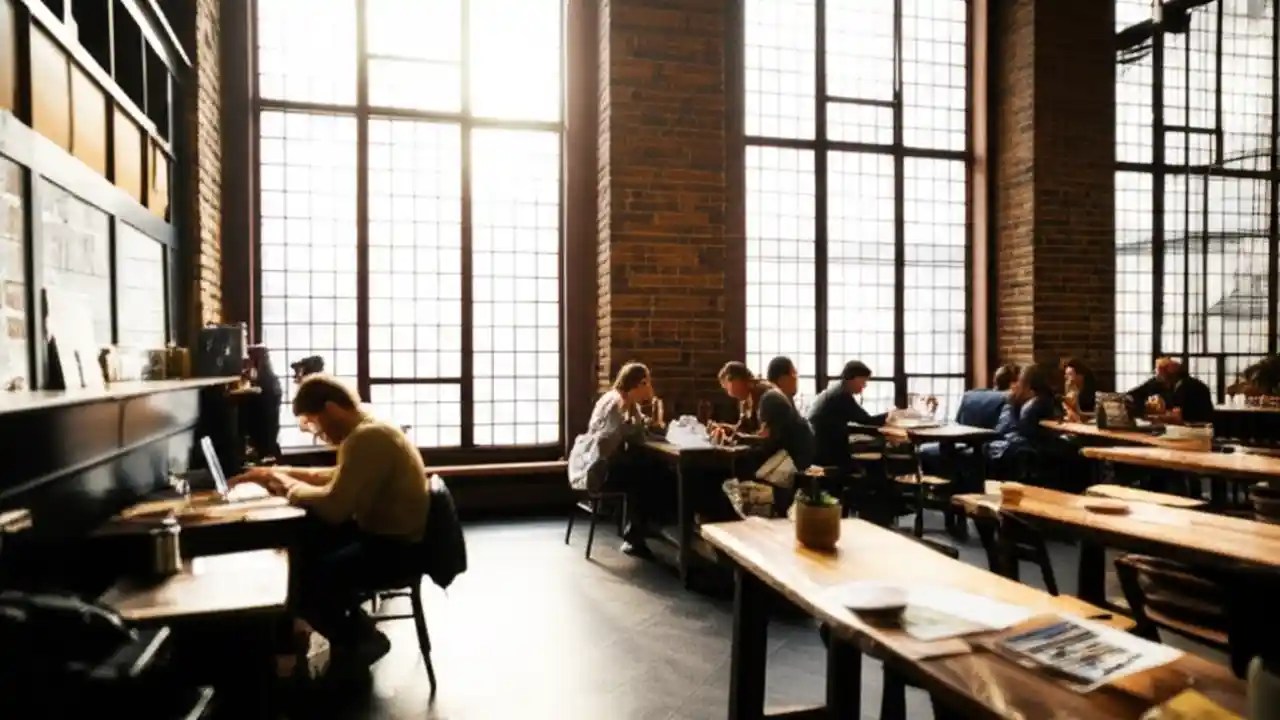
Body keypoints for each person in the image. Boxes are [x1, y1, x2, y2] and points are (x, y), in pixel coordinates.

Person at [230, 375, 430, 670]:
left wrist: (287, 486)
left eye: (314, 422)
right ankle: (338, 634)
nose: (317, 432)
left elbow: (335, 507)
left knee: (303, 579)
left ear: (331, 409)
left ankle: (359, 638)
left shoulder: (366, 438)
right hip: (391, 534)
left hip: (394, 548)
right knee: (305, 546)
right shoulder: (371, 427)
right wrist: (273, 473)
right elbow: (337, 477)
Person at [567, 362, 664, 558]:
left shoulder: (618, 398)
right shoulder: (617, 403)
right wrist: (642, 424)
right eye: (647, 383)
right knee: (648, 476)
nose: (649, 386)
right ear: (639, 383)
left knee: (646, 469)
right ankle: (636, 535)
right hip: (596, 470)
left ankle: (638, 527)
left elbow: (634, 427)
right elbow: (619, 436)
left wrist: (642, 421)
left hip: (592, 462)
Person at [986, 365, 1064, 481]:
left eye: (1019, 381)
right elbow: (1005, 431)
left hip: (1019, 445)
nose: (1015, 385)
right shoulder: (1013, 403)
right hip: (1013, 444)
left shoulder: (1039, 403)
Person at [807, 360, 887, 471]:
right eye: (863, 381)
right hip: (827, 453)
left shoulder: (837, 389)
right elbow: (867, 420)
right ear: (853, 378)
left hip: (819, 447)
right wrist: (891, 416)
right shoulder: (842, 396)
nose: (865, 385)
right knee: (874, 465)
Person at [1125, 357, 1214, 425]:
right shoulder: (1160, 382)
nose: (1156, 376)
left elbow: (1177, 417)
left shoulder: (1188, 386)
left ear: (1167, 373)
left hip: (1196, 429)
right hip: (1184, 427)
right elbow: (1134, 393)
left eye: (1158, 372)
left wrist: (1148, 416)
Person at [711, 361, 775, 441]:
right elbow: (743, 429)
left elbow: (767, 435)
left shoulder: (764, 393)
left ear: (735, 380)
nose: (729, 393)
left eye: (727, 388)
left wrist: (738, 439)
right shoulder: (745, 399)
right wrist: (726, 429)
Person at [1061, 357, 1098, 422]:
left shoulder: (1091, 392)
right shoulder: (1071, 388)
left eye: (1070, 374)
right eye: (1066, 375)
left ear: (1080, 375)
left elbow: (1086, 414)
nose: (1067, 378)